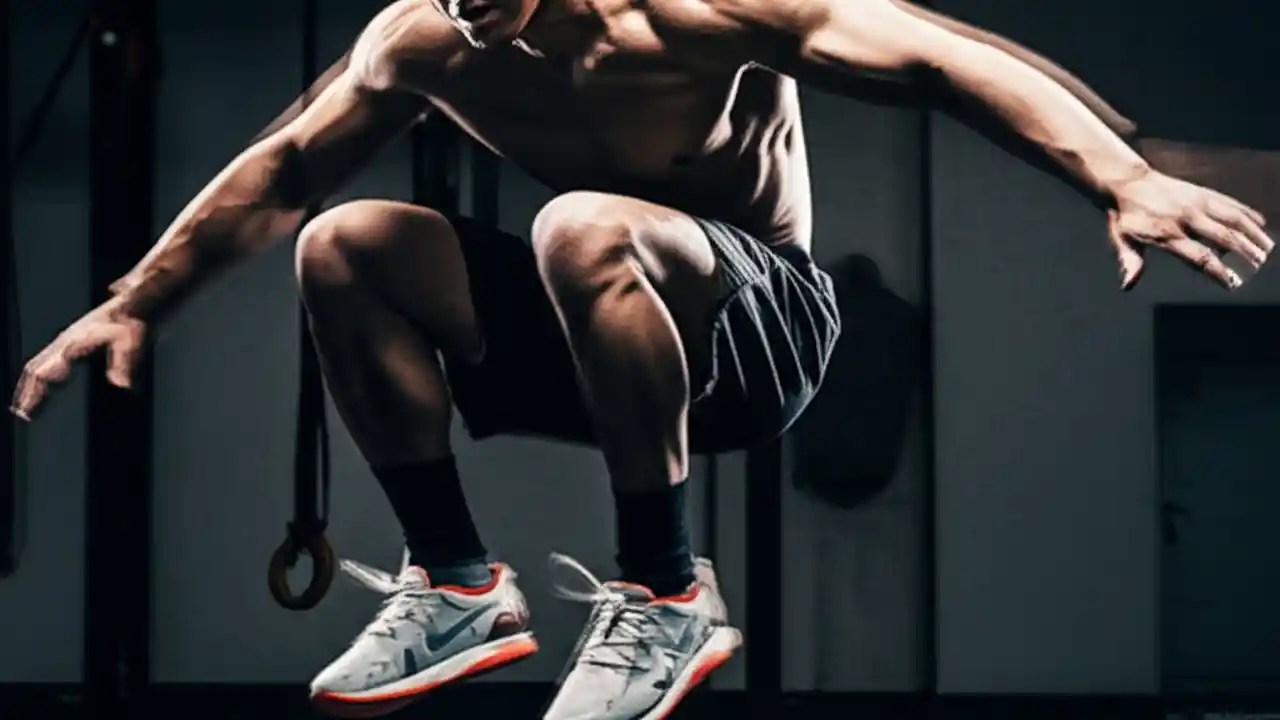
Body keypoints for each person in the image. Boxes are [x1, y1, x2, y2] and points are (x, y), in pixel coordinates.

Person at [10, 0, 1273, 717]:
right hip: (591, 328)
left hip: (758, 329)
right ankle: (455, 586)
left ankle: (666, 593)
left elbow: (941, 60)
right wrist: (137, 303)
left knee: (576, 219)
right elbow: (285, 171)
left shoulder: (698, 14)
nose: (462, 4)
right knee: (345, 241)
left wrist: (1118, 175)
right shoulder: (426, 43)